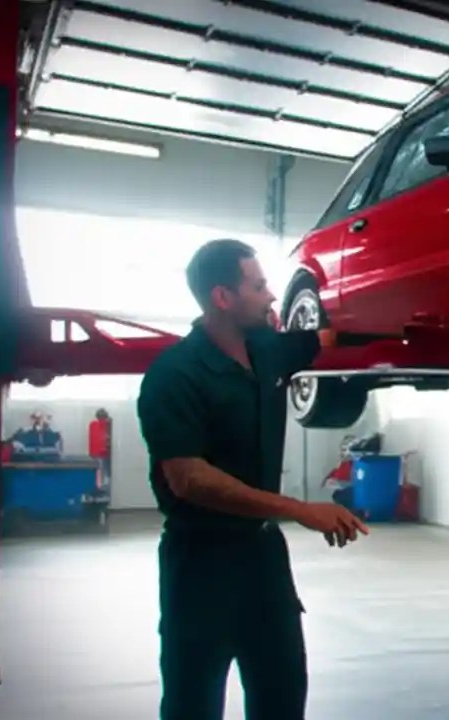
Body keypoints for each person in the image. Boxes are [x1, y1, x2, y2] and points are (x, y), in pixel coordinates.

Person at [136, 238, 370, 719]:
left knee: (282, 697)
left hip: (263, 563)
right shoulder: (173, 375)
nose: (270, 297)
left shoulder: (266, 351)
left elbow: (326, 339)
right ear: (223, 298)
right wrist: (302, 510)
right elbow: (190, 479)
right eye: (259, 286)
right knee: (191, 705)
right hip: (199, 567)